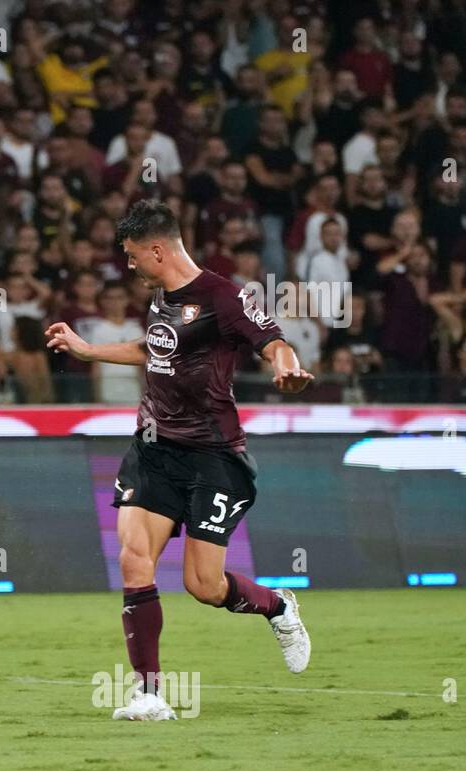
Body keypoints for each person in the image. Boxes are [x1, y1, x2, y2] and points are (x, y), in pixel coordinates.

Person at [46, 199, 314, 721]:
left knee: (204, 586)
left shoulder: (223, 295)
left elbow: (274, 340)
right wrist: (86, 350)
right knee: (133, 558)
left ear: (156, 249)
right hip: (154, 450)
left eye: (130, 256)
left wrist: (289, 369)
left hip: (214, 457)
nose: (128, 266)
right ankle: (148, 693)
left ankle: (277, 606)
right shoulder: (163, 299)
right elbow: (155, 348)